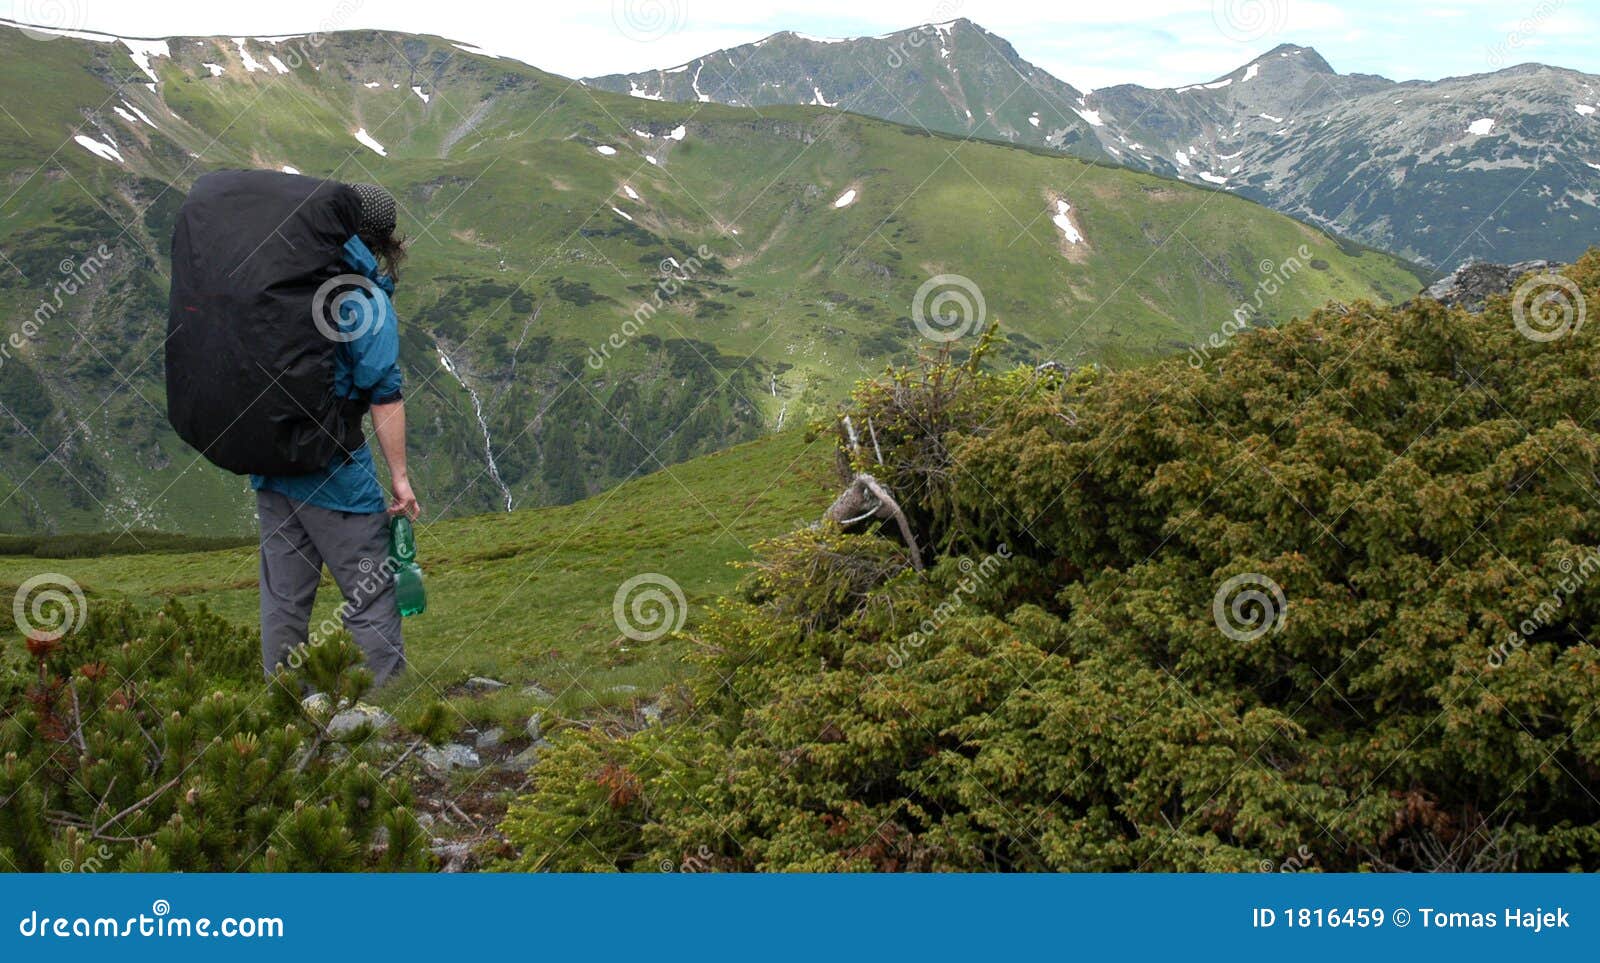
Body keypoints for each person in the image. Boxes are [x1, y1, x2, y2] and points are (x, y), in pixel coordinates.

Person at [253, 182, 421, 686]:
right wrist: (400, 478)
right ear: (383, 241)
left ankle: (284, 703)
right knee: (370, 591)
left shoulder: (286, 279)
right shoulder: (363, 296)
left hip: (271, 463)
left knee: (284, 599)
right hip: (334, 469)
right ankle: (385, 703)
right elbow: (383, 393)